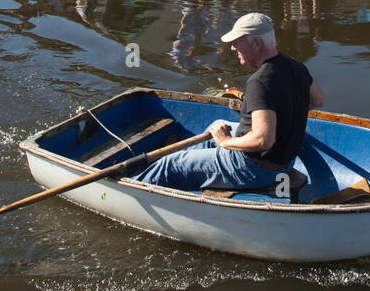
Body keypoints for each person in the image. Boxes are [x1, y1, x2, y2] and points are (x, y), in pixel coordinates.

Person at [134, 13, 324, 192]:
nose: (233, 48)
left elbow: (263, 140)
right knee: (216, 126)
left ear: (256, 43)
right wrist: (283, 111)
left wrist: (226, 142)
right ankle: (189, 164)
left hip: (252, 168)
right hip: (284, 160)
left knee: (169, 166)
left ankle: (135, 189)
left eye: (237, 42)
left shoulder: (259, 82)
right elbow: (317, 100)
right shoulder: (296, 66)